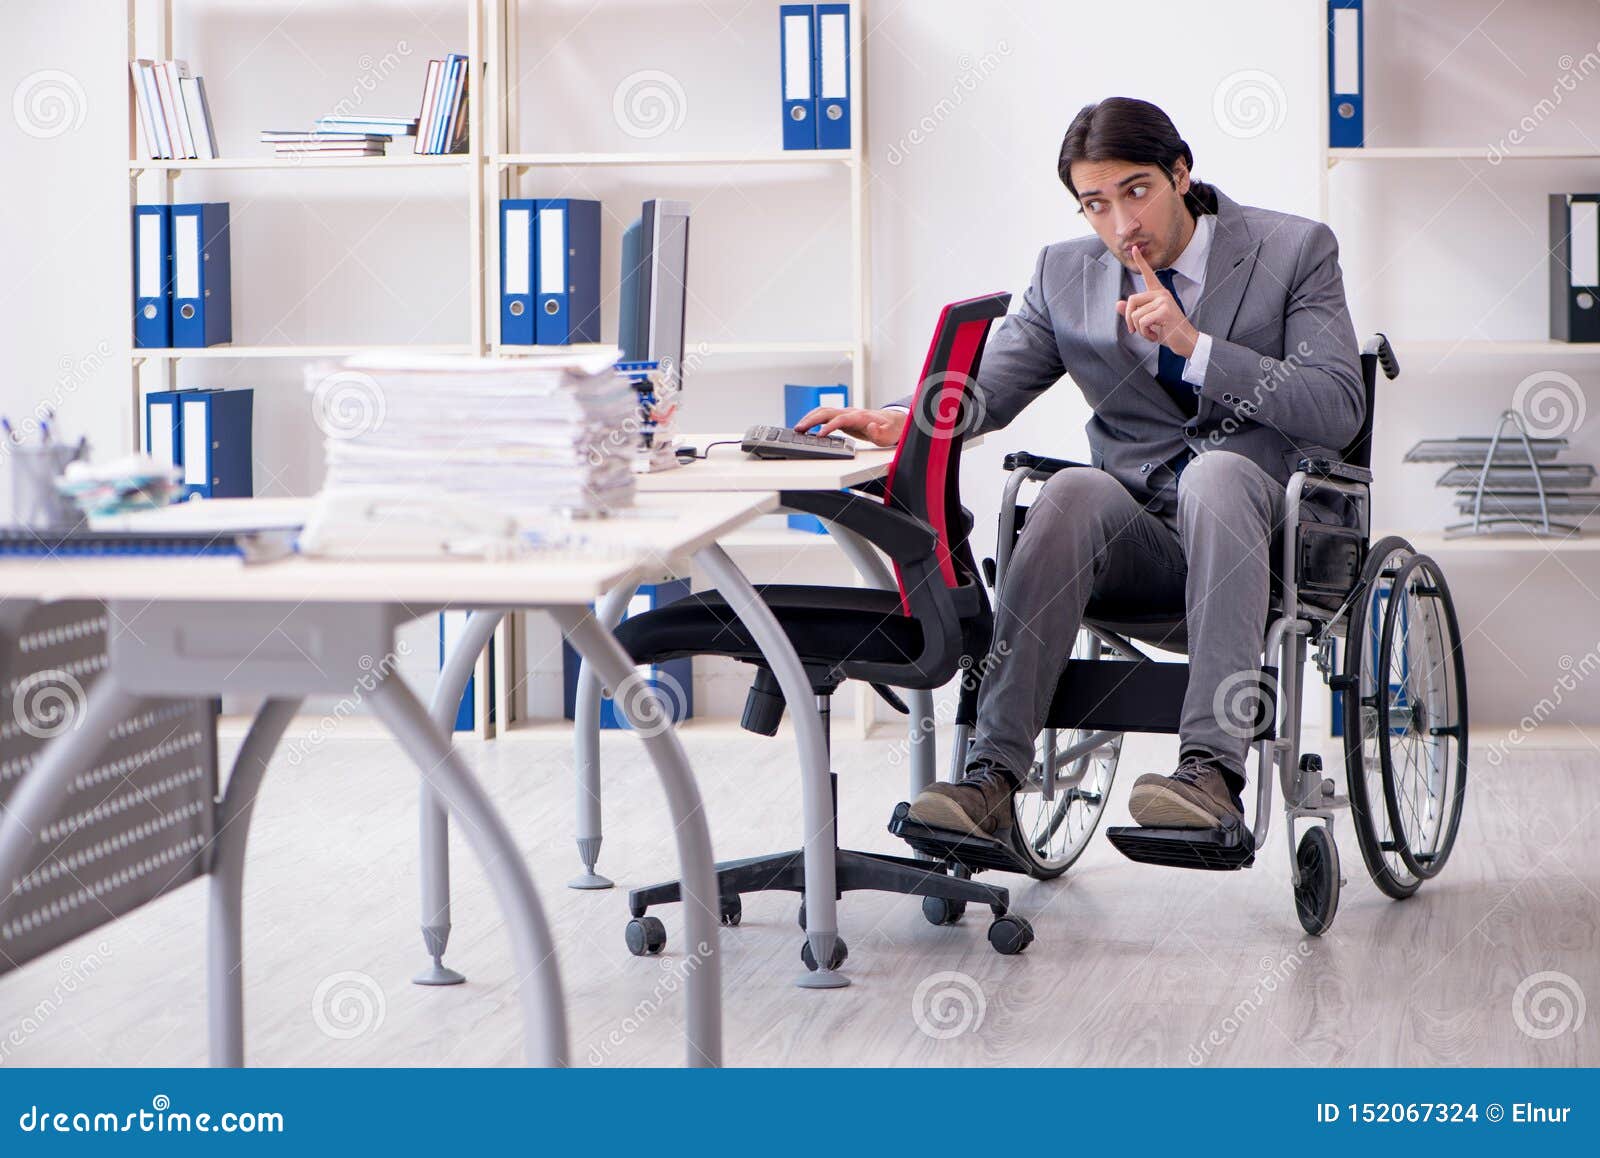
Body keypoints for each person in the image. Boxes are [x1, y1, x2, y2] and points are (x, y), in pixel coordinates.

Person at [794, 96, 1363, 839]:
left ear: (1180, 173)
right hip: (1140, 549)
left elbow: (1339, 406)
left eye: (1136, 191)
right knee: (1068, 490)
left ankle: (1212, 776)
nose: (1121, 225)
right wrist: (901, 417)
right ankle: (992, 777)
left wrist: (1198, 348)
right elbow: (992, 383)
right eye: (1096, 205)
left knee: (1216, 474)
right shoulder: (1067, 275)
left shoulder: (1294, 251)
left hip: (1263, 545)